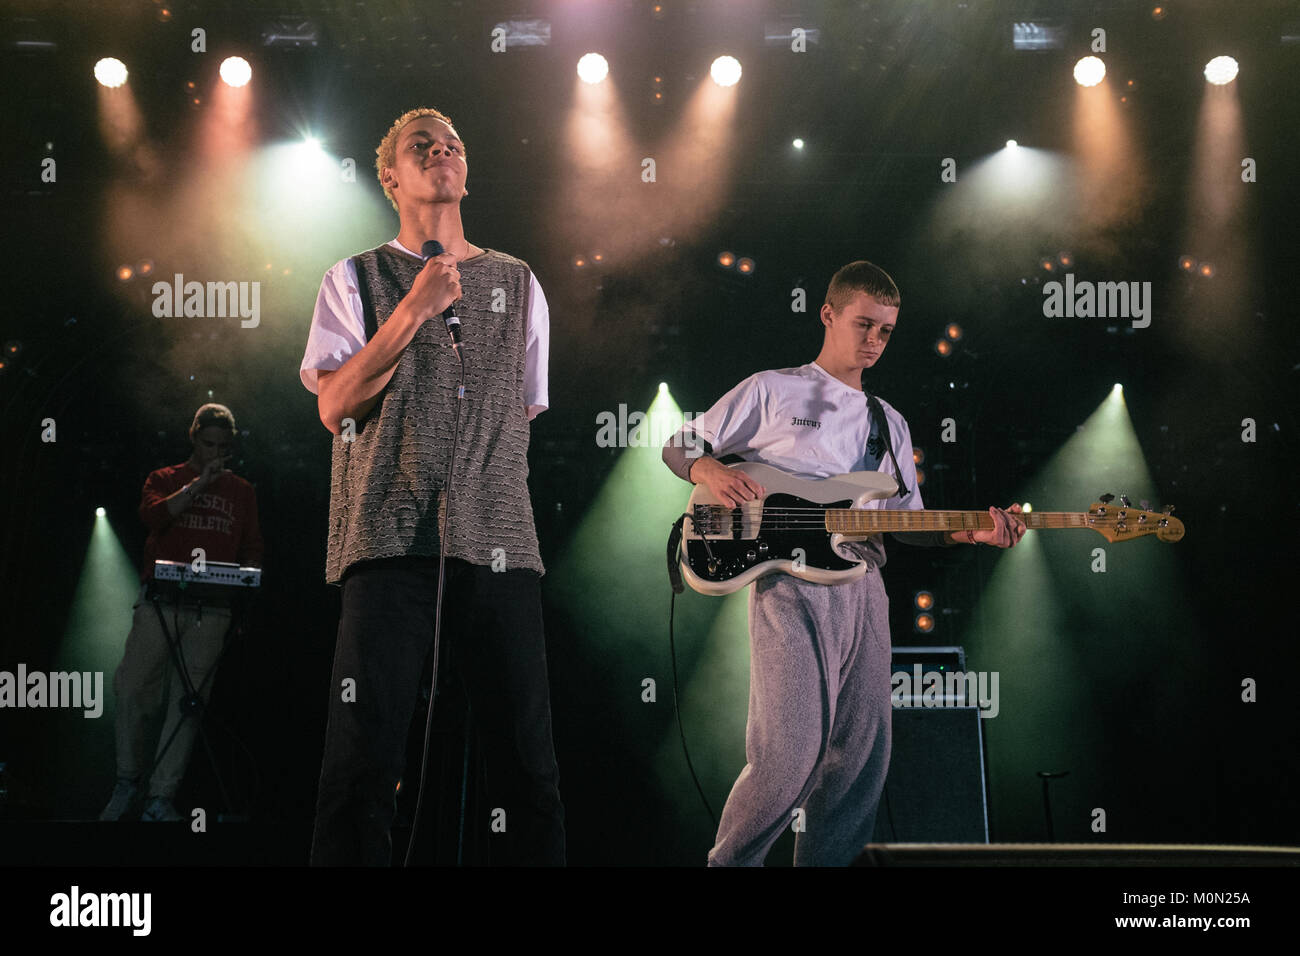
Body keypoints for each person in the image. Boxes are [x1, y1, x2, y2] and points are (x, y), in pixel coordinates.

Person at [662, 260, 1026, 866]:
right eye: (864, 324)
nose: (875, 341)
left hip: (863, 584)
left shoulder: (890, 422)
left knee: (861, 758)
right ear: (827, 314)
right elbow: (680, 444)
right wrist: (710, 470)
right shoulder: (773, 389)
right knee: (788, 754)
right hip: (789, 588)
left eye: (886, 331)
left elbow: (910, 523)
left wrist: (975, 533)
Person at [300, 107, 564, 866]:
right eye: (423, 144)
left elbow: (516, 412)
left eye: (453, 140)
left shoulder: (518, 282)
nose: (442, 149)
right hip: (387, 543)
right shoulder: (352, 277)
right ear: (390, 176)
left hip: (501, 548)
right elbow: (334, 404)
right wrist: (415, 307)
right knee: (361, 764)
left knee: (528, 770)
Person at [100, 402, 263, 822]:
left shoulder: (242, 491)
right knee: (134, 689)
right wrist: (199, 485)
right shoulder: (165, 478)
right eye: (208, 444)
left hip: (212, 609)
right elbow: (153, 517)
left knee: (188, 703)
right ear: (194, 438)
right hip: (161, 602)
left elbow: (252, 547)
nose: (215, 453)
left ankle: (161, 797)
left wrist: (247, 580)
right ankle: (127, 781)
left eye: (223, 447)